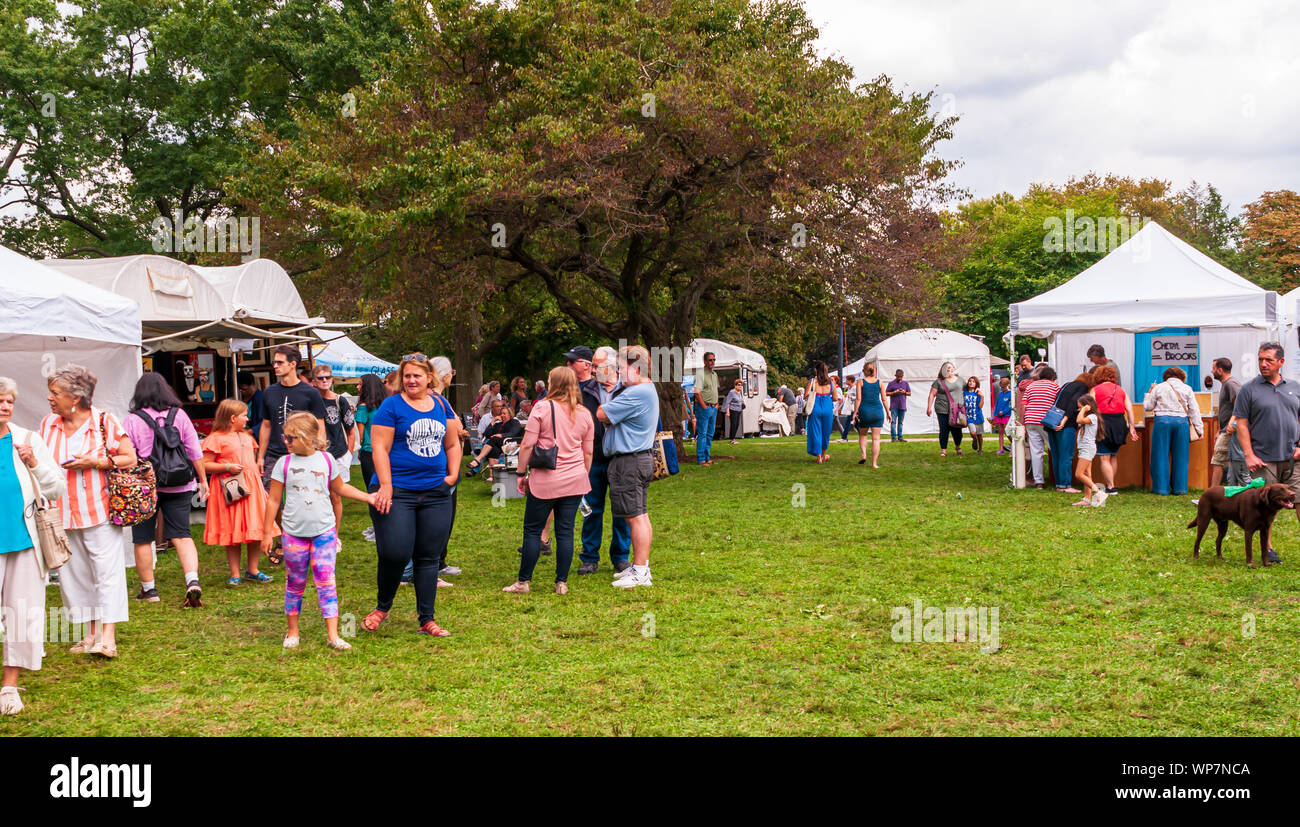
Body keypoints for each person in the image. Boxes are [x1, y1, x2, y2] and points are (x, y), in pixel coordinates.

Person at [39, 364, 138, 658]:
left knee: (106, 573)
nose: (49, 398)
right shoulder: (48, 424)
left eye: (55, 393)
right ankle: (90, 633)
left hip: (99, 509)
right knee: (74, 575)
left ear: (76, 396)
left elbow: (129, 458)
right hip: (62, 512)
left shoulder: (104, 420)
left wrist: (95, 462)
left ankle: (108, 637)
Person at [363, 353, 462, 636]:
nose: (411, 380)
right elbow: (379, 448)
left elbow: (453, 444)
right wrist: (386, 485)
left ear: (429, 377)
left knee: (428, 557)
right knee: (395, 552)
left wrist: (452, 476)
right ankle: (383, 606)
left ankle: (426, 619)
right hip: (398, 492)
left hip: (435, 492)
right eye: (407, 375)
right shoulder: (391, 406)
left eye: (417, 375)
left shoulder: (442, 404)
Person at [263, 412, 375, 650]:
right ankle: (292, 632)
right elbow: (273, 500)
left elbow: (340, 488)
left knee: (327, 582)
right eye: (285, 437)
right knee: (295, 583)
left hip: (324, 533)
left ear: (307, 437)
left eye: (291, 438)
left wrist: (368, 497)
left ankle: (333, 635)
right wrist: (266, 532)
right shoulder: (284, 464)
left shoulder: (325, 460)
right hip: (293, 535)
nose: (286, 441)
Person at [0, 377, 67, 715]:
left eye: (9, 401)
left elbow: (55, 489)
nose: (5, 406)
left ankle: (9, 686)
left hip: (25, 543)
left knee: (23, 615)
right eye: (0, 400)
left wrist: (34, 463)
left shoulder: (27, 439)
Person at [503, 367, 594, 594]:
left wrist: (520, 473)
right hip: (574, 479)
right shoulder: (584, 413)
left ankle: (523, 582)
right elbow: (588, 452)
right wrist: (583, 474)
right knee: (566, 531)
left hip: (545, 479)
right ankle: (561, 583)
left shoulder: (542, 408)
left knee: (533, 530)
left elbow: (526, 444)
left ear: (552, 384)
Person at [123, 372, 210, 605]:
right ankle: (192, 580)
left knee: (143, 539)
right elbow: (194, 450)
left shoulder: (133, 420)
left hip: (145, 487)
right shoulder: (179, 415)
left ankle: (149, 591)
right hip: (180, 483)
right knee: (182, 535)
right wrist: (203, 479)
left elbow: (128, 456)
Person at [596, 345, 659, 589]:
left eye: (622, 368)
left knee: (635, 517)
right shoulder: (645, 390)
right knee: (639, 515)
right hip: (635, 459)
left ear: (636, 368)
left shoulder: (637, 393)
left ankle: (641, 571)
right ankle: (640, 566)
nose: (619, 374)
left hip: (630, 461)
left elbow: (602, 413)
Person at [1234, 342, 1300, 565]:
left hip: (1293, 457)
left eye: (1268, 360)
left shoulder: (1295, 387)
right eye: (1260, 359)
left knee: (1299, 500)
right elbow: (1241, 424)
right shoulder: (1248, 389)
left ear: (1281, 362)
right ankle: (1268, 549)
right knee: (1264, 505)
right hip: (1263, 459)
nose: (1263, 364)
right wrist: (1249, 455)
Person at [203, 398, 278, 585]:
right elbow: (205, 465)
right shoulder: (215, 438)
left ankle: (253, 569)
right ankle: (234, 573)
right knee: (232, 532)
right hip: (229, 490)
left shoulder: (247, 437)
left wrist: (261, 489)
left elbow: (252, 466)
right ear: (232, 417)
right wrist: (226, 466)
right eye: (244, 415)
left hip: (252, 488)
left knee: (255, 530)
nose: (248, 418)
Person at [576, 345, 631, 576]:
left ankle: (620, 557)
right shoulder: (585, 389)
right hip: (594, 457)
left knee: (622, 511)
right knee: (591, 509)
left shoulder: (629, 389)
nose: (593, 369)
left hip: (621, 458)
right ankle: (589, 557)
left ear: (611, 368)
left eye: (597, 366)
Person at [257, 345, 326, 490]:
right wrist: (260, 456)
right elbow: (266, 425)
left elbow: (319, 424)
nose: (275, 366)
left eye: (280, 362)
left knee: (303, 497)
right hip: (274, 455)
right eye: (274, 362)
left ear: (292, 364)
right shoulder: (269, 392)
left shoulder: (311, 393)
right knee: (271, 500)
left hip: (303, 454)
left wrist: (319, 454)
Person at [1143, 366, 1203, 496]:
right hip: (1181, 422)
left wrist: (1149, 393)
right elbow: (1194, 410)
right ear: (1182, 377)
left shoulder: (1158, 387)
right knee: (1181, 457)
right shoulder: (1187, 388)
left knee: (1160, 455)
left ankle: (1161, 489)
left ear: (1166, 376)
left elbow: (1148, 407)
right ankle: (1180, 489)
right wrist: (1199, 429)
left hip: (1162, 421)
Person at [1092, 365, 1138, 495]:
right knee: (1113, 455)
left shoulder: (1095, 390)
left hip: (1103, 423)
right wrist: (1132, 427)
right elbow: (1129, 409)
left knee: (1104, 457)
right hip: (1119, 423)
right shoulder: (1120, 390)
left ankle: (1111, 487)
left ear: (1098, 376)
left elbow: (1091, 408)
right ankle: (1110, 484)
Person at [1047, 372, 1095, 493]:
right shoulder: (1082, 387)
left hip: (1052, 423)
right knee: (1066, 455)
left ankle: (1059, 484)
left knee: (1056, 455)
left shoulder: (1066, 385)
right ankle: (1065, 485)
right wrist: (1065, 420)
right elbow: (1073, 402)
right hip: (1066, 425)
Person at [1018, 366, 1060, 487]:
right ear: (1052, 377)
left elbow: (1024, 406)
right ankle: (1059, 480)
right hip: (1047, 421)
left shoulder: (1031, 386)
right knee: (1054, 449)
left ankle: (1039, 482)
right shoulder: (1055, 387)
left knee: (1036, 452)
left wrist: (1023, 423)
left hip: (1031, 420)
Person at [465, 399, 522, 479]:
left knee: (494, 439)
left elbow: (514, 433)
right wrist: (493, 421)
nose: (502, 415)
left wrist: (501, 435)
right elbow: (487, 434)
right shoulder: (498, 424)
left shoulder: (514, 422)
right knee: (493, 448)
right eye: (501, 414)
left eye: (504, 414)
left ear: (510, 414)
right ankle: (492, 476)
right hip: (498, 446)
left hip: (511, 445)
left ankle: (478, 460)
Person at [1209, 357, 1242, 489]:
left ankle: (1211, 495)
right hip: (1225, 429)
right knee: (1233, 462)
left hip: (1231, 431)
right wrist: (1219, 429)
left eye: (1213, 368)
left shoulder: (1231, 384)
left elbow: (1241, 405)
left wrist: (1232, 423)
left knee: (1217, 460)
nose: (1212, 371)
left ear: (1220, 370)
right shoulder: (1226, 384)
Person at [926, 362, 966, 457]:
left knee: (957, 429)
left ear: (954, 369)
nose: (949, 369)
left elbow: (968, 391)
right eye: (947, 368)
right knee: (944, 429)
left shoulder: (961, 380)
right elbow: (932, 394)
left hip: (957, 409)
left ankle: (958, 446)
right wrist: (929, 407)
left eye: (951, 367)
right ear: (943, 370)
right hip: (942, 408)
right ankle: (943, 450)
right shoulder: (938, 381)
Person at [1072, 394, 1104, 507]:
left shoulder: (1092, 417)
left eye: (1080, 407)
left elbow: (1078, 420)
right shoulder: (1089, 418)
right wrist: (1083, 409)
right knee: (1087, 474)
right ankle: (1087, 499)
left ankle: (1099, 492)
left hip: (1087, 448)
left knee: (1079, 474)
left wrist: (1084, 409)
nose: (1079, 410)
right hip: (1084, 448)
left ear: (1088, 406)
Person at [853, 365, 889, 467]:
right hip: (877, 411)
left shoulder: (860, 382)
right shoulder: (880, 382)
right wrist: (888, 412)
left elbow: (858, 399)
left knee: (863, 435)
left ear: (864, 371)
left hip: (865, 411)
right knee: (876, 439)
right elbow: (884, 399)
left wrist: (855, 412)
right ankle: (874, 463)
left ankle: (864, 455)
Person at [692, 351, 720, 466]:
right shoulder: (700, 374)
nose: (712, 362)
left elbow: (715, 390)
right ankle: (701, 459)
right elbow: (696, 392)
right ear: (704, 361)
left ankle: (707, 458)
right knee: (702, 434)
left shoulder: (714, 374)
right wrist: (704, 406)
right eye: (710, 360)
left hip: (713, 408)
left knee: (710, 434)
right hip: (704, 408)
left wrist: (717, 404)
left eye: (714, 359)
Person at [805, 361, 837, 463]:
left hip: (815, 407)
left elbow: (806, 395)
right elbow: (835, 398)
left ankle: (818, 457)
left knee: (816, 432)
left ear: (817, 370)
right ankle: (823, 455)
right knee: (825, 432)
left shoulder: (812, 381)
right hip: (827, 407)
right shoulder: (831, 383)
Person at [885, 370, 911, 442]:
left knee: (900, 422)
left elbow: (909, 393)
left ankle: (900, 437)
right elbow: (886, 393)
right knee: (893, 422)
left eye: (901, 376)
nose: (900, 378)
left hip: (902, 406)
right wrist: (894, 392)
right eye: (898, 376)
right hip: (894, 406)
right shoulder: (891, 383)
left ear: (903, 375)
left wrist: (904, 392)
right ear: (895, 375)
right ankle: (893, 438)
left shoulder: (905, 383)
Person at [237, 370, 264, 436]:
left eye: (244, 389)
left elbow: (265, 421)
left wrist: (251, 431)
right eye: (240, 389)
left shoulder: (260, 398)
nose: (241, 391)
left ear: (252, 385)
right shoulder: (244, 398)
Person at [963, 376, 985, 454]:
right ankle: (974, 440)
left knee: (979, 434)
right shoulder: (964, 392)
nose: (971, 383)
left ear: (976, 384)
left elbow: (980, 406)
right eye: (970, 381)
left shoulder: (978, 393)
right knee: (973, 433)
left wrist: (982, 396)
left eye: (973, 381)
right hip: (969, 417)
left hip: (978, 416)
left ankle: (980, 449)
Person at [991, 377, 1012, 454]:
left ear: (1008, 385)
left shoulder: (1011, 394)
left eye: (1003, 387)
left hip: (1006, 415)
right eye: (1001, 387)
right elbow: (997, 404)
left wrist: (1004, 412)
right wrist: (994, 414)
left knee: (1008, 432)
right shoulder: (1000, 393)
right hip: (998, 416)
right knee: (1000, 432)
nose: (1002, 389)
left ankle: (1013, 445)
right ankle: (1001, 449)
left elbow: (1011, 406)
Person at [723, 379, 746, 444]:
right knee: (733, 425)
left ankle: (733, 438)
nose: (740, 386)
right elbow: (727, 402)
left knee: (737, 425)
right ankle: (732, 439)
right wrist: (727, 412)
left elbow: (740, 400)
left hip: (739, 410)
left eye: (741, 385)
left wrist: (743, 402)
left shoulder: (739, 392)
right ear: (735, 385)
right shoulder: (732, 392)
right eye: (739, 385)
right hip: (733, 410)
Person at [836, 376, 857, 441]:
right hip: (848, 407)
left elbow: (858, 397)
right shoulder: (848, 388)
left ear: (850, 381)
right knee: (851, 422)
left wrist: (851, 397)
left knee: (848, 422)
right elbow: (845, 399)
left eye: (847, 380)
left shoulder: (855, 388)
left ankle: (844, 437)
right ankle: (845, 437)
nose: (845, 381)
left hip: (853, 407)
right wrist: (840, 407)